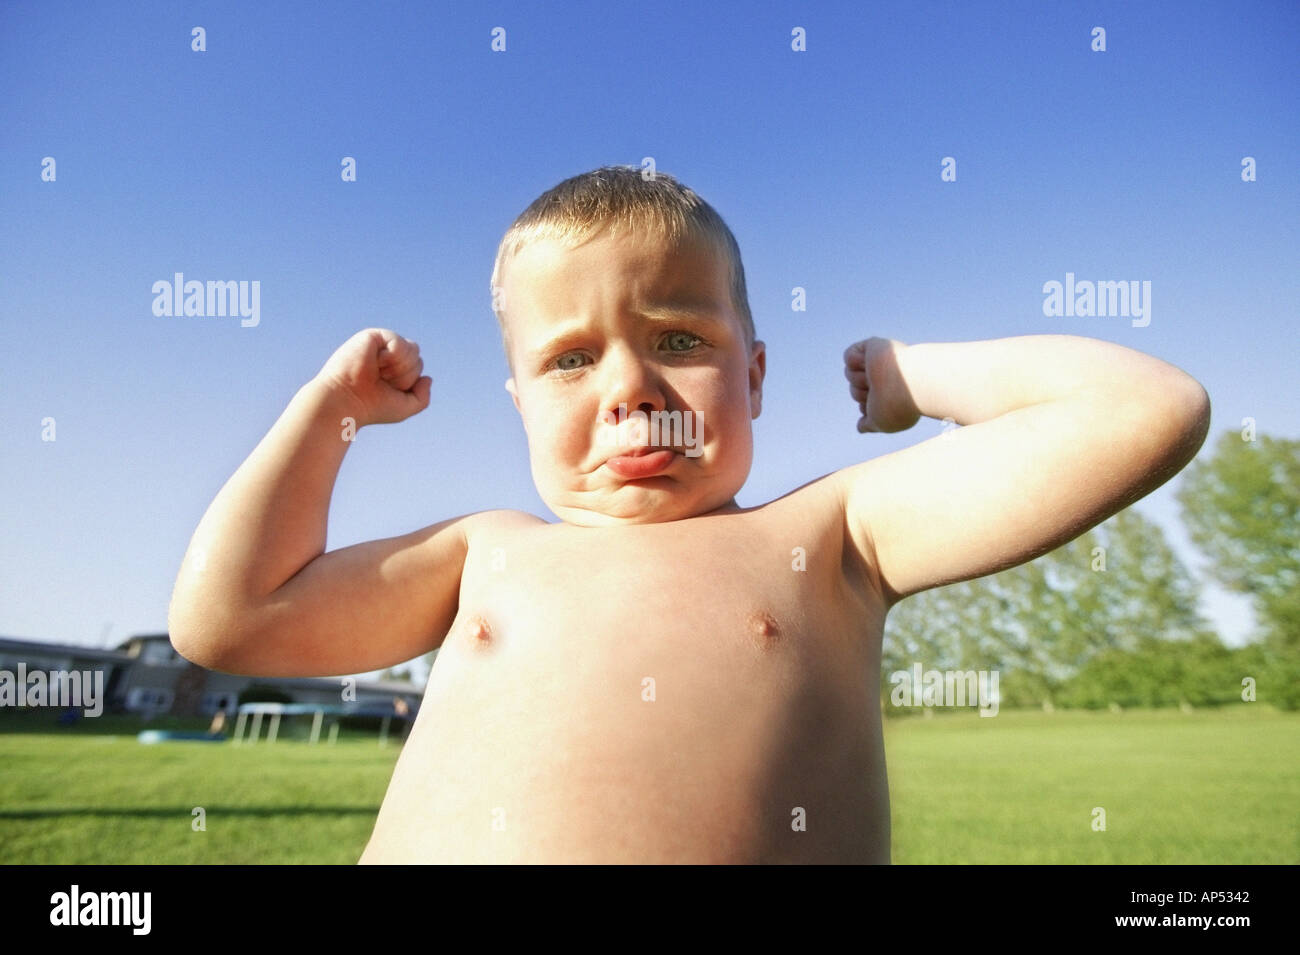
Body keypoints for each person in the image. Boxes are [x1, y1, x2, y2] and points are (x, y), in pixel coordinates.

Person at [168, 165, 1210, 863]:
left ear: (754, 376)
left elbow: (1144, 410)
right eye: (569, 359)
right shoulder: (483, 553)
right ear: (520, 405)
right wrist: (326, 415)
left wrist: (914, 375)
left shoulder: (829, 537)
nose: (628, 388)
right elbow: (231, 617)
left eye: (678, 341)